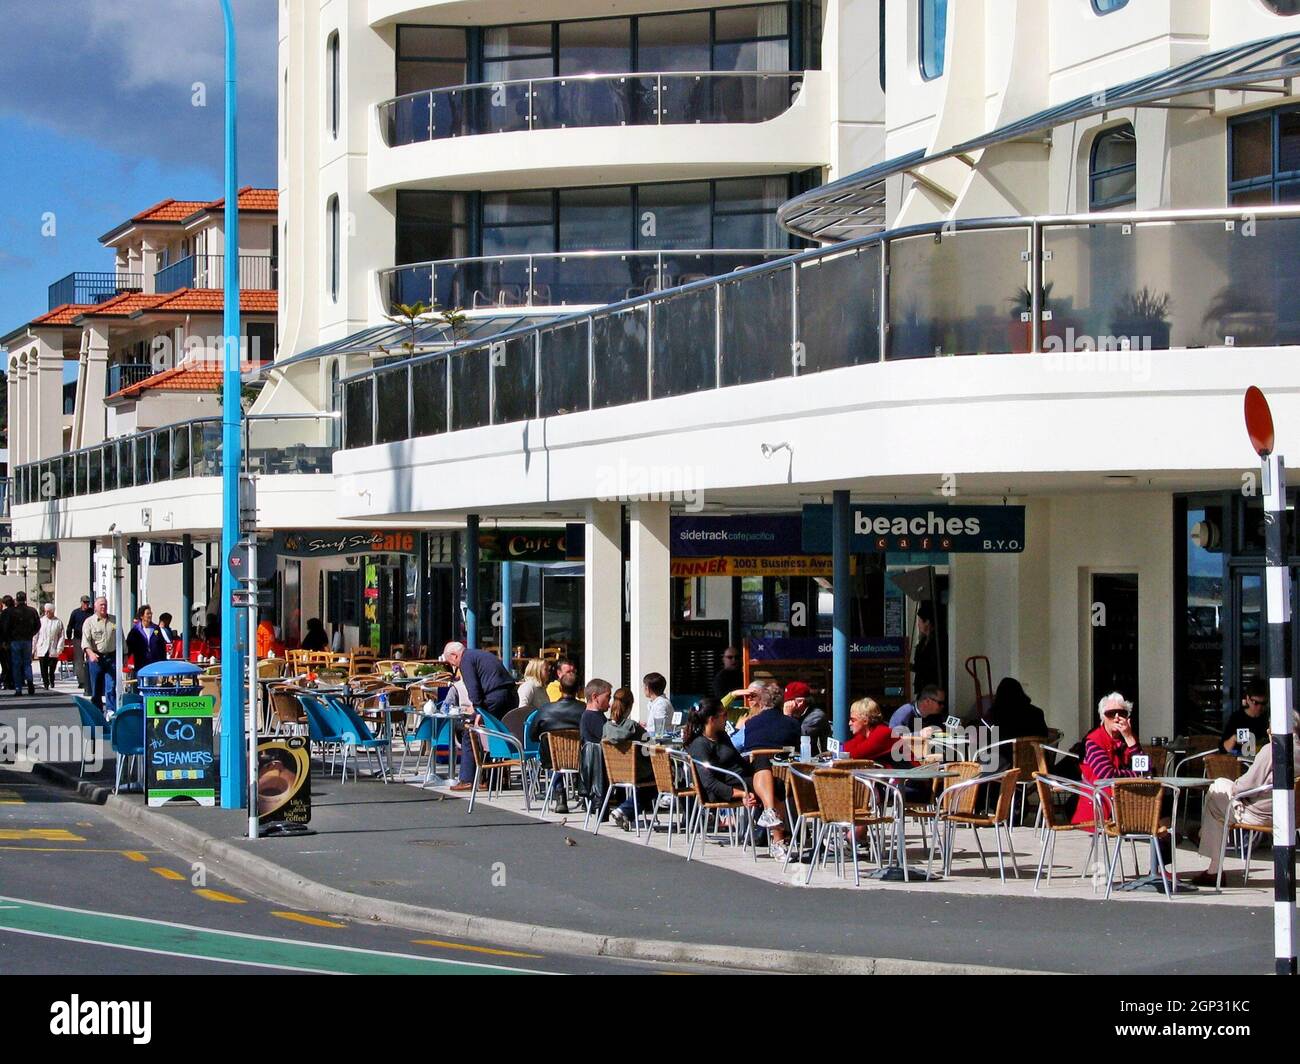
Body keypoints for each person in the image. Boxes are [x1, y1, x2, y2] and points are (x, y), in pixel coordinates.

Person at [1190, 711, 1300, 887]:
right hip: (1292, 817)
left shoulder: (1272, 750)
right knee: (1219, 793)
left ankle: (1213, 866)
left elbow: (1245, 787)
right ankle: (1205, 842)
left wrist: (1235, 786)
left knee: (1217, 789)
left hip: (1260, 814)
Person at [683, 698, 790, 861]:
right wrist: (741, 794)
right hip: (725, 787)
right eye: (724, 714)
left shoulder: (722, 736)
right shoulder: (700, 745)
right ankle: (778, 841)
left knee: (764, 764)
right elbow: (709, 783)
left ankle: (770, 815)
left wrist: (757, 768)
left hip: (740, 778)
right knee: (775, 786)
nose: (727, 718)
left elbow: (739, 761)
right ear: (712, 720)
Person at [441, 641, 520, 794]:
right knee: (497, 734)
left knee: (470, 732)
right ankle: (496, 779)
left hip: (495, 697)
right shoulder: (478, 654)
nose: (454, 667)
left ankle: (467, 779)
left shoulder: (466, 660)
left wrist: (477, 710)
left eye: (452, 663)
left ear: (455, 655)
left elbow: (473, 687)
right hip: (509, 695)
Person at [1073, 692, 1149, 828]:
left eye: (1122, 713)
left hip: (1128, 804)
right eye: (1111, 713)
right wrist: (1136, 775)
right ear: (1103, 717)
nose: (1117, 718)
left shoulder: (1128, 739)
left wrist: (1130, 739)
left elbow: (1146, 770)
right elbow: (1107, 775)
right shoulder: (1094, 741)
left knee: (1164, 809)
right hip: (1100, 809)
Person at [522, 673, 587, 811]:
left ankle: (559, 794)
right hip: (580, 758)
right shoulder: (585, 710)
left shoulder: (546, 709)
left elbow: (533, 735)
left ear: (561, 688)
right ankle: (584, 795)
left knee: (551, 752)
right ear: (578, 689)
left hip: (551, 759)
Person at [603, 687, 657, 831]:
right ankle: (625, 810)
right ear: (631, 706)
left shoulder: (606, 727)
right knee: (663, 781)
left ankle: (625, 812)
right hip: (639, 772)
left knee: (649, 786)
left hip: (615, 773)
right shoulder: (634, 727)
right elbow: (651, 748)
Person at [735, 681, 801, 753]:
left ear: (761, 702)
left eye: (753, 696)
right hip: (783, 763)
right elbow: (797, 750)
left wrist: (737, 729)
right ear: (782, 702)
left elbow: (735, 746)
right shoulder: (793, 723)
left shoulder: (749, 723)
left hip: (756, 763)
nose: (749, 699)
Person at [83, 596, 118, 716]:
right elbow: (85, 641)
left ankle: (111, 712)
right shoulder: (89, 622)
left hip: (111, 657)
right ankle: (97, 713)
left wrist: (124, 655)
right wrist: (91, 653)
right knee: (96, 688)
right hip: (96, 658)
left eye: (105, 604)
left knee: (111, 686)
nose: (103, 607)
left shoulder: (114, 620)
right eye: (101, 605)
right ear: (96, 607)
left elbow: (121, 639)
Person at [843, 698, 903, 762]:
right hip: (895, 771)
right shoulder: (864, 735)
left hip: (910, 770)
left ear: (865, 721)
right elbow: (844, 748)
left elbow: (855, 754)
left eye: (853, 720)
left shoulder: (882, 733)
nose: (849, 723)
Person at [1221, 678, 1271, 755]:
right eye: (1255, 702)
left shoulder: (1269, 718)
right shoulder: (1237, 718)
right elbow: (1223, 749)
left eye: (1263, 703)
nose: (1259, 707)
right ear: (1247, 699)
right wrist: (1234, 738)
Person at [8, 591, 41, 696]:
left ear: (16, 600)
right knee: (27, 663)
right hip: (27, 639)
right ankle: (30, 680)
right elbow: (38, 625)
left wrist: (8, 638)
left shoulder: (12, 612)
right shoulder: (32, 611)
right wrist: (31, 633)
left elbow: (7, 626)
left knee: (16, 664)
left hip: (15, 640)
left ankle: (18, 688)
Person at [784, 681, 830, 752]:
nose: (785, 705)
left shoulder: (816, 716)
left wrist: (787, 716)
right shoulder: (794, 714)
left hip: (809, 758)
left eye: (788, 701)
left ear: (800, 702)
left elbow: (799, 736)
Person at [912, 602, 942, 696]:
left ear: (927, 622)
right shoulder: (922, 642)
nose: (918, 624)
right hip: (922, 687)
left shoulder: (937, 642)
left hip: (931, 687)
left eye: (920, 621)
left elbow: (930, 666)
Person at [126, 605, 167, 671]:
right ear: (141, 616)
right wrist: (125, 658)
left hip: (155, 663)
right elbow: (129, 646)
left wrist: (163, 661)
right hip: (141, 664)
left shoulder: (156, 629)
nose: (150, 615)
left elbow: (162, 646)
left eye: (151, 613)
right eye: (148, 614)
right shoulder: (135, 630)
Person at [34, 603, 65, 691]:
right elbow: (36, 635)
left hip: (53, 648)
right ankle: (45, 683)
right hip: (42, 647)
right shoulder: (40, 621)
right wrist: (34, 648)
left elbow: (61, 636)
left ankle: (51, 678)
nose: (47, 613)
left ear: (52, 612)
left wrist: (60, 648)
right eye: (45, 611)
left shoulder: (58, 622)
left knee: (52, 667)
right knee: (43, 667)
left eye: (49, 611)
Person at [68, 595, 94, 695]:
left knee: (89, 659)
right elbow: (70, 625)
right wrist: (69, 637)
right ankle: (82, 681)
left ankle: (89, 679)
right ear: (81, 602)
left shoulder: (92, 613)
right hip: (78, 638)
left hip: (89, 639)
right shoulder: (75, 613)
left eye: (87, 602)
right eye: (84, 602)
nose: (86, 604)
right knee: (78, 660)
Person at [0, 597, 13, 692]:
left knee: (5, 664)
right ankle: (10, 682)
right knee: (11, 663)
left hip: (5, 642)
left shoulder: (4, 614)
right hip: (14, 640)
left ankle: (5, 682)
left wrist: (3, 641)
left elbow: (3, 629)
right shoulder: (15, 612)